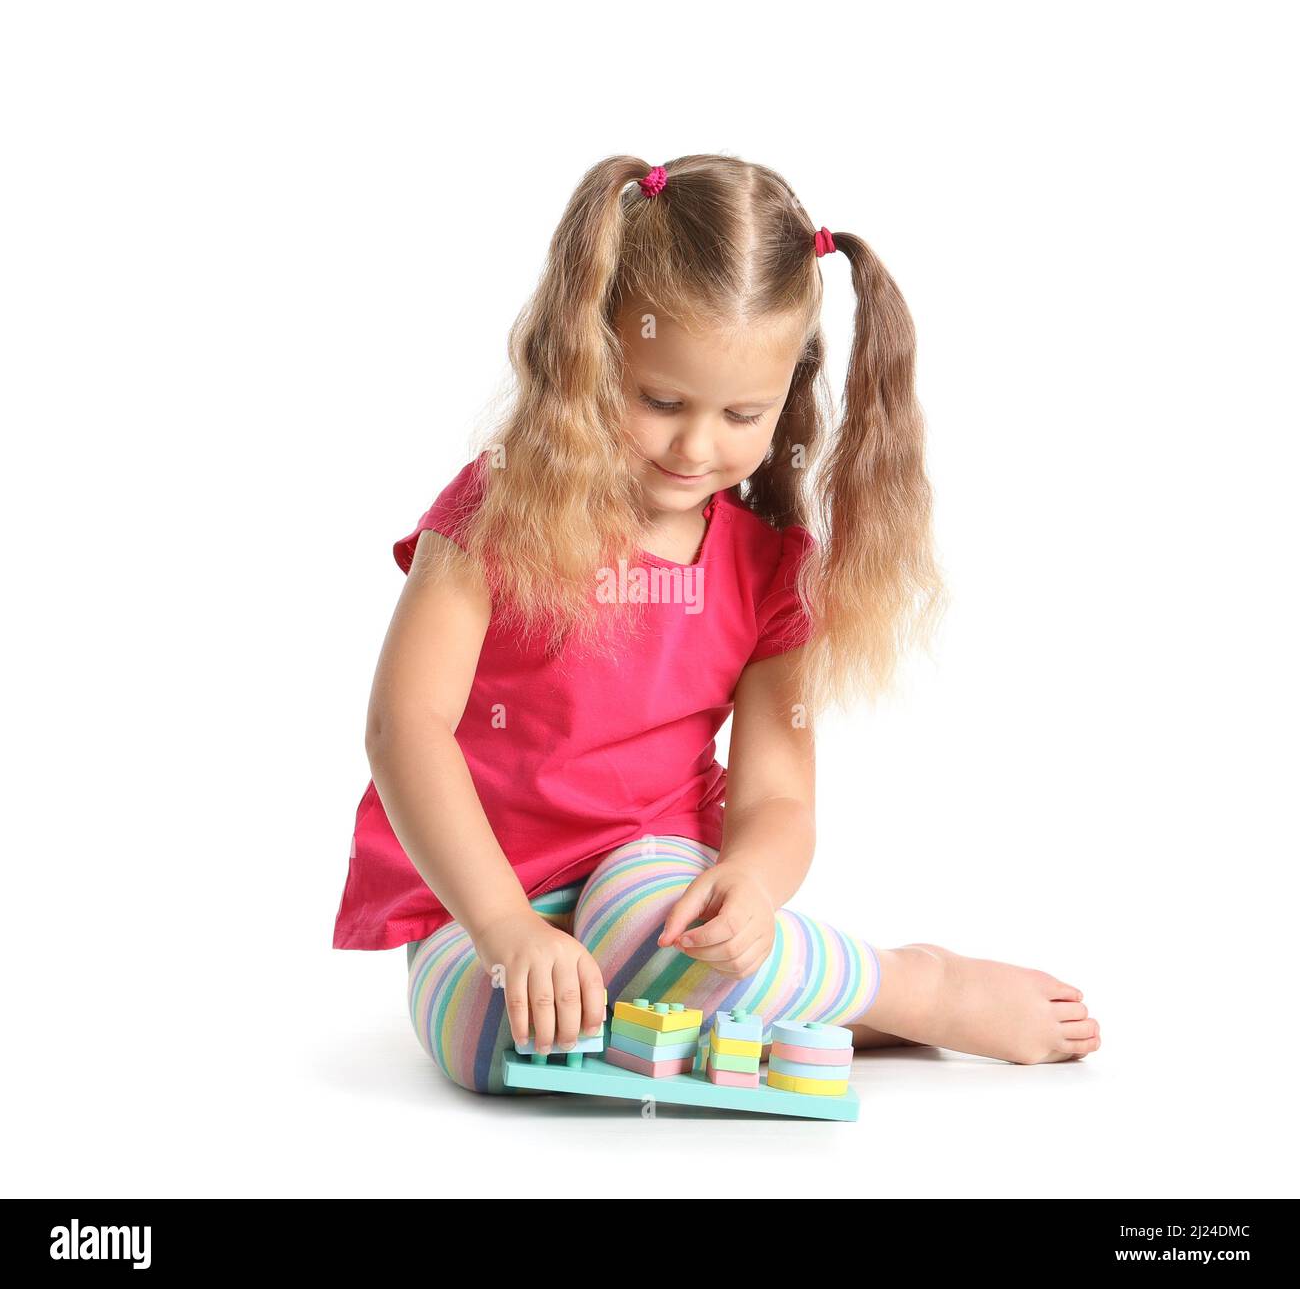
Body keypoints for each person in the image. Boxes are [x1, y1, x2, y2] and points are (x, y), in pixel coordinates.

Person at [332, 154, 1101, 1094]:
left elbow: (779, 795)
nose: (697, 447)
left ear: (789, 397)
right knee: (497, 1045)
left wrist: (755, 882)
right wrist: (509, 928)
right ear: (591, 352)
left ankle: (913, 987)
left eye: (743, 413)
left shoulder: (771, 570)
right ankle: (787, 1013)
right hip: (479, 897)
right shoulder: (493, 515)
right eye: (661, 401)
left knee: (654, 929)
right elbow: (403, 730)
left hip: (653, 879)